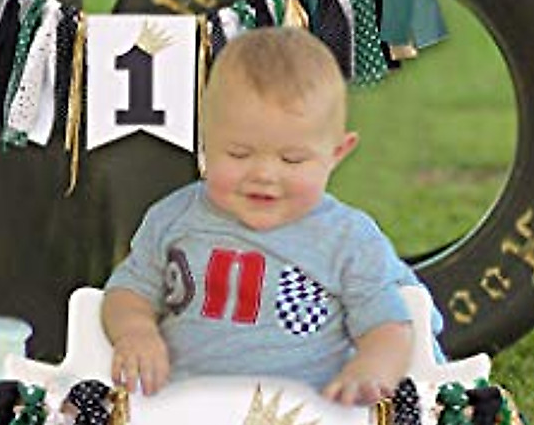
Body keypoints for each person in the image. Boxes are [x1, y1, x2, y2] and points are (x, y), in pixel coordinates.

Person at [102, 27, 435, 405]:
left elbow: (388, 326)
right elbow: (128, 291)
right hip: (185, 409)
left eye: (292, 159)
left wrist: (370, 370)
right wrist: (136, 332)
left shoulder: (347, 239)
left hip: (307, 418)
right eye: (238, 154)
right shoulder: (174, 217)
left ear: (336, 153)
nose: (263, 173)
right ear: (204, 140)